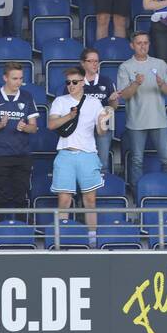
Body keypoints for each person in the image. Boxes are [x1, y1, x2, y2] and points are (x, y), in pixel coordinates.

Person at [48, 65, 110, 243]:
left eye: (75, 82)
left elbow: (101, 132)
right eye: (68, 82)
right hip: (66, 153)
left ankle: (92, 239)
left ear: (83, 82)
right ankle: (62, 238)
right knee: (64, 200)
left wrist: (103, 121)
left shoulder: (94, 102)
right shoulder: (60, 101)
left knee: (90, 200)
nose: (71, 85)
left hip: (87, 153)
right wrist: (69, 116)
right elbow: (51, 125)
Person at [0, 64, 38, 219]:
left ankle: (22, 234)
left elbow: (34, 128)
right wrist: (0, 124)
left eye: (21, 78)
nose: (18, 82)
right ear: (5, 78)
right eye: (15, 78)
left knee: (22, 196)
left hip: (22, 154)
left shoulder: (27, 97)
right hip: (0, 155)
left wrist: (25, 127)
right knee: (0, 197)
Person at [116, 32, 167, 184]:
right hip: (136, 122)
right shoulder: (125, 67)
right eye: (139, 43)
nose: (143, 46)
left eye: (145, 43)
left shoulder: (160, 64)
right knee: (137, 161)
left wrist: (162, 84)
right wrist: (136, 83)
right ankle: (138, 198)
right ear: (132, 46)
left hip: (159, 120)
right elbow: (125, 95)